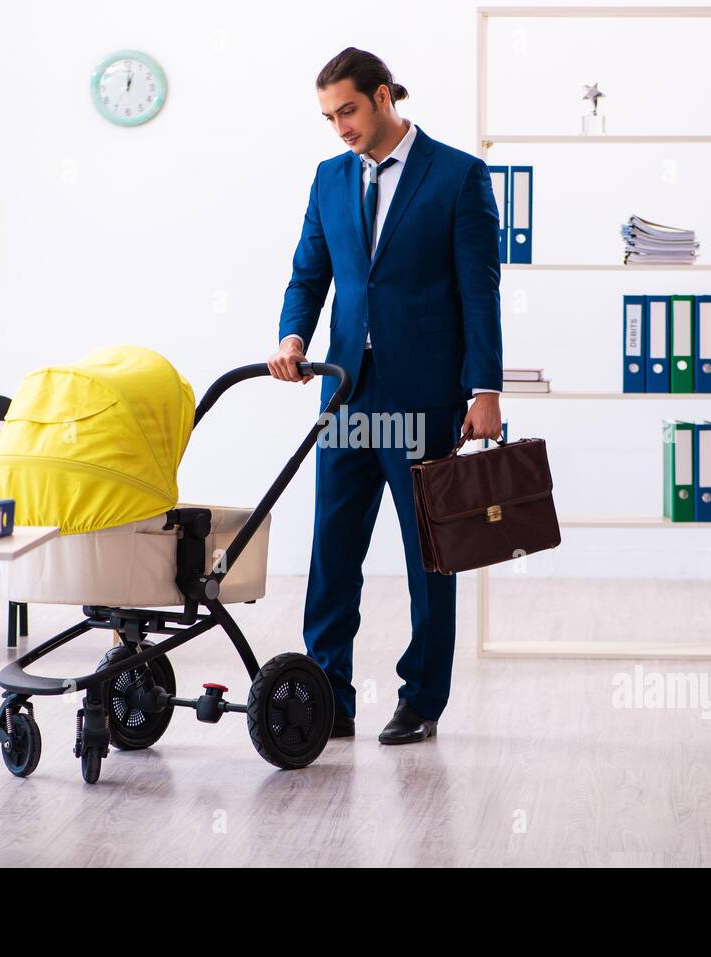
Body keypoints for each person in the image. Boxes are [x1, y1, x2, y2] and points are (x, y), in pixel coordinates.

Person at [268, 47, 502, 745]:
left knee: (430, 554)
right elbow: (309, 273)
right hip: (346, 394)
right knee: (332, 549)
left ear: (382, 97)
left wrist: (482, 388)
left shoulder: (457, 175)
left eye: (347, 110)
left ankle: (421, 698)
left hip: (425, 398)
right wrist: (291, 338)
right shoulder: (329, 179)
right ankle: (328, 694)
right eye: (328, 116)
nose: (339, 126)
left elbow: (478, 289)